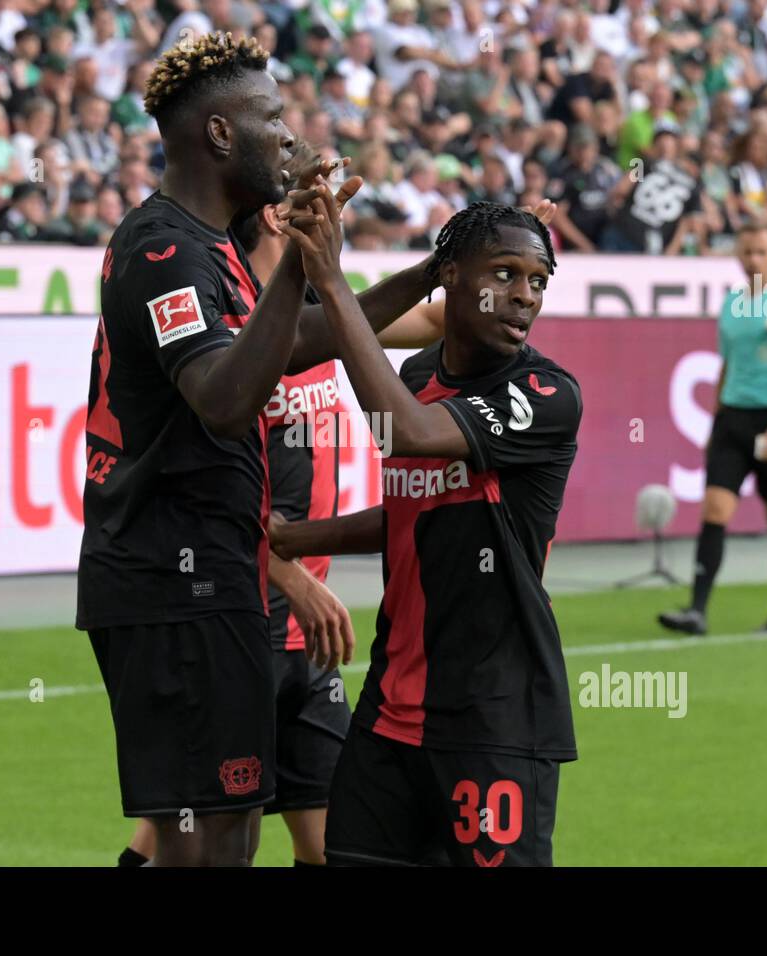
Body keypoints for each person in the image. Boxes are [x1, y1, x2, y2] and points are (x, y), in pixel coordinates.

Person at [79, 31, 442, 868]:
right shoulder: (164, 250)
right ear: (219, 134)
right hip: (174, 582)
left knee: (212, 831)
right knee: (212, 837)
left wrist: (426, 273)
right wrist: (300, 267)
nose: (288, 136)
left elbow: (304, 339)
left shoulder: (209, 248)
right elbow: (224, 399)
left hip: (212, 577)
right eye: (272, 118)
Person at [270, 200, 582, 866]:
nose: (524, 296)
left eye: (538, 281)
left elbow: (411, 433)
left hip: (491, 719)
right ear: (453, 277)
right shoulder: (415, 378)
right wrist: (298, 540)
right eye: (504, 273)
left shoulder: (546, 396)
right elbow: (416, 512)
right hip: (387, 712)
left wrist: (331, 277)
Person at [658, 221, 767, 636]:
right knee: (715, 509)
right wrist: (716, 420)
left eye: (761, 252)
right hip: (733, 418)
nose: (753, 260)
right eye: (746, 252)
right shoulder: (732, 304)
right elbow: (728, 365)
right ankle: (696, 611)